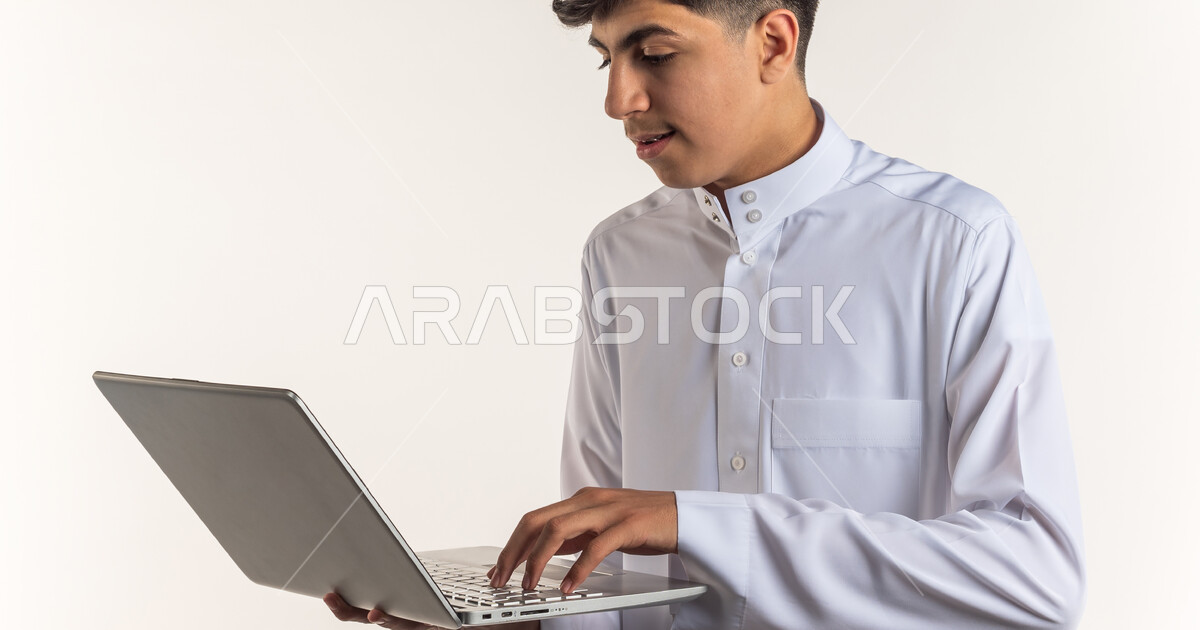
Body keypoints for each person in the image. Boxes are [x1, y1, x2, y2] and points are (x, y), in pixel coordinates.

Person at [326, 0, 1086, 627]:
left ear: (773, 43)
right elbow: (597, 580)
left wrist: (700, 523)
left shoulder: (956, 242)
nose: (618, 100)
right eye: (606, 59)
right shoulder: (620, 254)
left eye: (653, 53)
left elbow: (1035, 579)